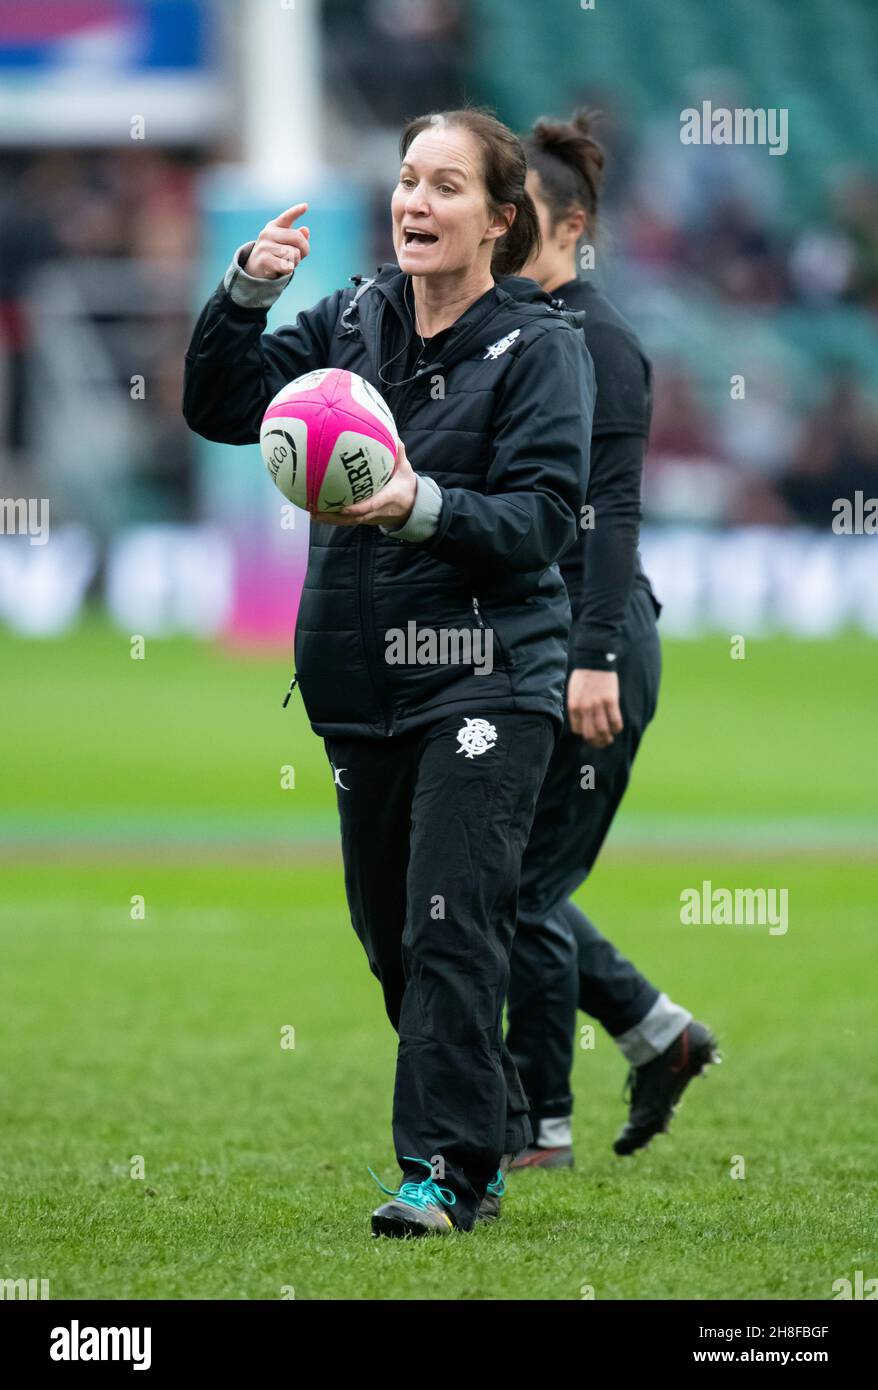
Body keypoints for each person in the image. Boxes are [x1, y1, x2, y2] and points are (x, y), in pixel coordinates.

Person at [182, 108, 595, 1237]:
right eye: (408, 180)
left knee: (449, 922)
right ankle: (498, 1117)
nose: (415, 202)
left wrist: (421, 505)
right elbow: (220, 407)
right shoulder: (353, 316)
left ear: (499, 220)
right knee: (389, 938)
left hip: (485, 671)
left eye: (445, 187)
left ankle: (443, 1173)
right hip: (362, 685)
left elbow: (547, 520)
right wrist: (245, 296)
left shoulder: (540, 345)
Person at [492, 112, 718, 1192]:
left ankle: (538, 1118)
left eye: (513, 217)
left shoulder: (596, 339)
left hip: (595, 638)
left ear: (571, 224)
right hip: (542, 635)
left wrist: (586, 656)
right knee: (507, 879)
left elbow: (609, 517)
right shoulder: (511, 329)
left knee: (519, 887)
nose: (492, 235)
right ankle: (654, 1029)